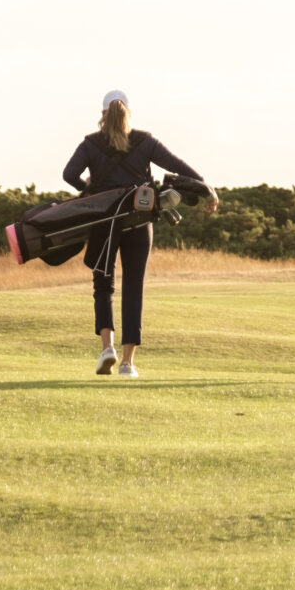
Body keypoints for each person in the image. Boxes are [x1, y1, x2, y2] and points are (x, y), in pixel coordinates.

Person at [61, 90, 214, 378]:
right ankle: (128, 364)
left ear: (103, 114)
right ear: (128, 112)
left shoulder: (90, 144)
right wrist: (206, 187)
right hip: (140, 221)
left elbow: (69, 174)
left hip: (105, 220)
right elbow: (178, 166)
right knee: (134, 289)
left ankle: (107, 348)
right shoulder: (145, 141)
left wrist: (90, 190)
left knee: (102, 284)